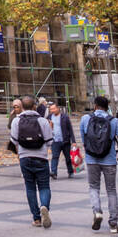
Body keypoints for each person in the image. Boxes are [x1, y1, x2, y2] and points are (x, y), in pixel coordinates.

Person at [11, 95, 54, 228]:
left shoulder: (16, 121)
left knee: (30, 187)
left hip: (24, 158)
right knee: (44, 186)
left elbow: (14, 140)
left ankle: (36, 218)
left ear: (22, 106)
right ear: (35, 106)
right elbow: (49, 141)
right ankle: (44, 206)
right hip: (41, 157)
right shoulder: (43, 121)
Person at [79, 95, 118, 233]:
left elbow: (83, 140)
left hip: (91, 160)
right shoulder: (114, 121)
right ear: (107, 107)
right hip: (110, 160)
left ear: (95, 106)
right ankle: (114, 223)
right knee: (111, 190)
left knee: (94, 187)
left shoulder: (85, 119)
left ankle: (97, 212)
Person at [48, 101, 76, 179]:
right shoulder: (49, 117)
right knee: (55, 157)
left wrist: (73, 141)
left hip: (65, 140)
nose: (52, 110)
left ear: (58, 108)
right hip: (55, 141)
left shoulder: (65, 117)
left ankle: (70, 172)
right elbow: (47, 128)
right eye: (51, 109)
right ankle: (54, 172)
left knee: (67, 157)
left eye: (53, 109)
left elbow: (70, 129)